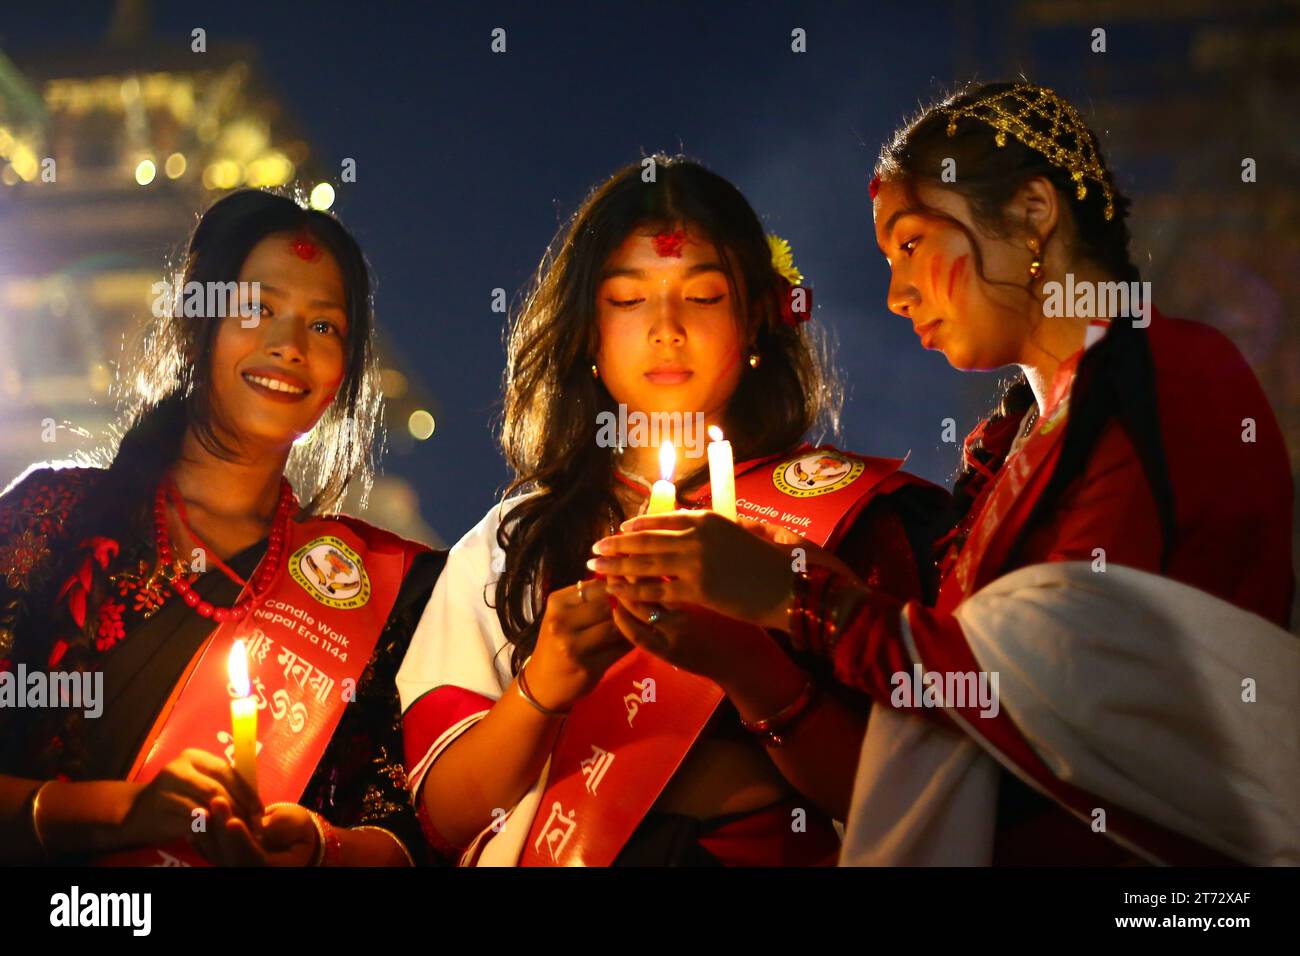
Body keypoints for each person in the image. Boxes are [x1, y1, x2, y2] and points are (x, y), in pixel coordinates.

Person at [602, 83, 1299, 865]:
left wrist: (794, 592)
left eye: (910, 244)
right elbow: (941, 736)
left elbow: (1049, 691)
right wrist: (756, 638)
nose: (898, 295)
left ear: (1035, 212)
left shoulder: (1173, 380)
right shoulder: (1017, 440)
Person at [397, 155, 948, 866]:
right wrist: (547, 683)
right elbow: (447, 818)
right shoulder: (513, 544)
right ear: (587, 332)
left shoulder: (851, 520)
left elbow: (920, 799)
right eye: (628, 301)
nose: (666, 329)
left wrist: (754, 668)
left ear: (755, 320)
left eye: (704, 297)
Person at [0, 189, 442, 866]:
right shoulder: (46, 519)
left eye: (323, 327)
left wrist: (320, 850)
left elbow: (407, 832)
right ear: (195, 326)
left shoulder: (370, 593)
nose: (289, 346)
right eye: (255, 310)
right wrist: (126, 812)